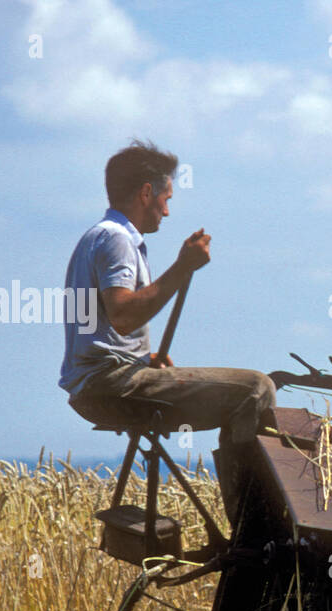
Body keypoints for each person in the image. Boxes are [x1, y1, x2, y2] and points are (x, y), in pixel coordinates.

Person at [59, 140, 276, 451]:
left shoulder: (98, 237)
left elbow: (104, 328)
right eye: (165, 199)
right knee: (257, 388)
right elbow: (123, 316)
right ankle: (253, 501)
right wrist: (183, 266)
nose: (167, 211)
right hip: (113, 384)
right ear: (146, 193)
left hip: (97, 382)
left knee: (247, 391)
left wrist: (142, 358)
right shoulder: (117, 240)